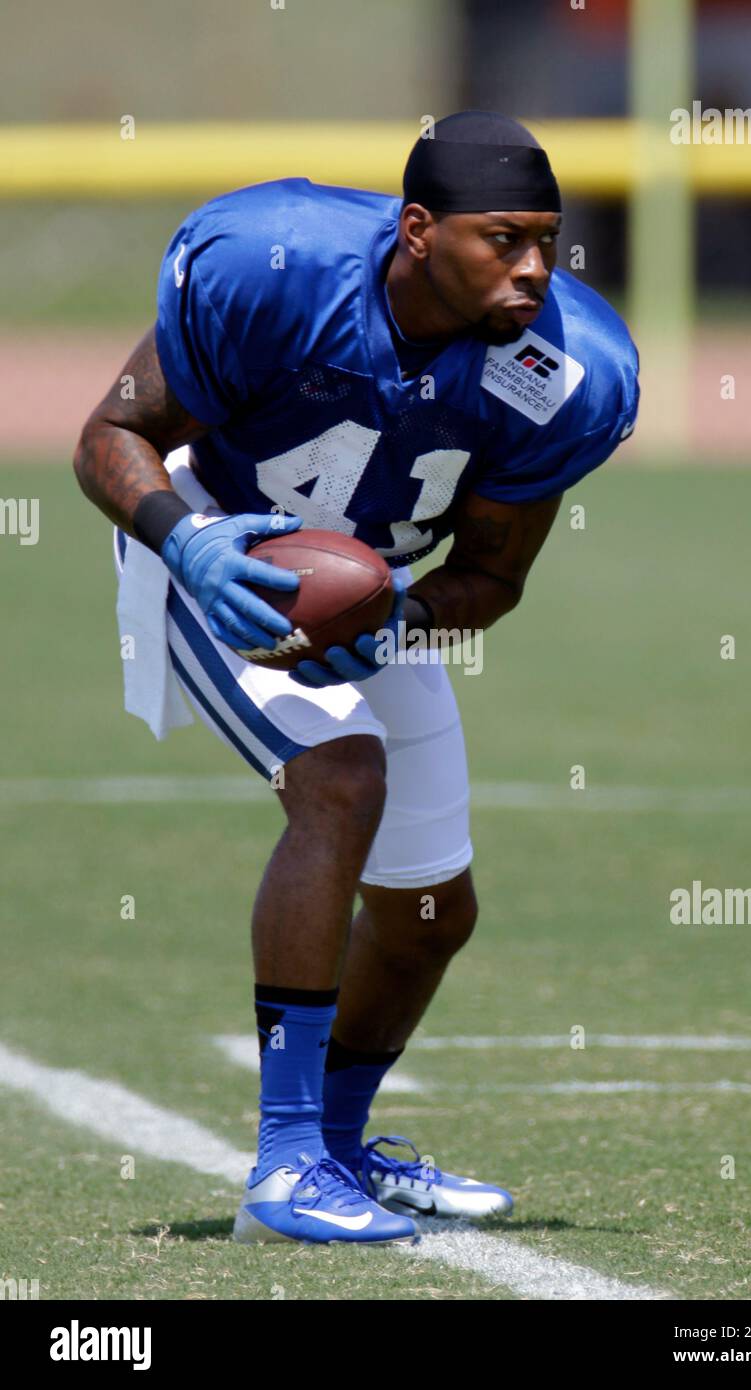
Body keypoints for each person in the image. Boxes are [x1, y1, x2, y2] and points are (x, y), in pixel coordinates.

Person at [73, 110, 639, 1246]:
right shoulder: (270, 269)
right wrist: (187, 541)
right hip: (214, 544)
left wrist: (404, 618)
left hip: (367, 585)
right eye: (504, 240)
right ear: (418, 231)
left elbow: (491, 573)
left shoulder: (562, 370)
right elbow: (109, 437)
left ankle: (334, 1148)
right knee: (340, 778)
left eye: (547, 239)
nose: (537, 269)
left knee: (432, 910)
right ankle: (282, 1172)